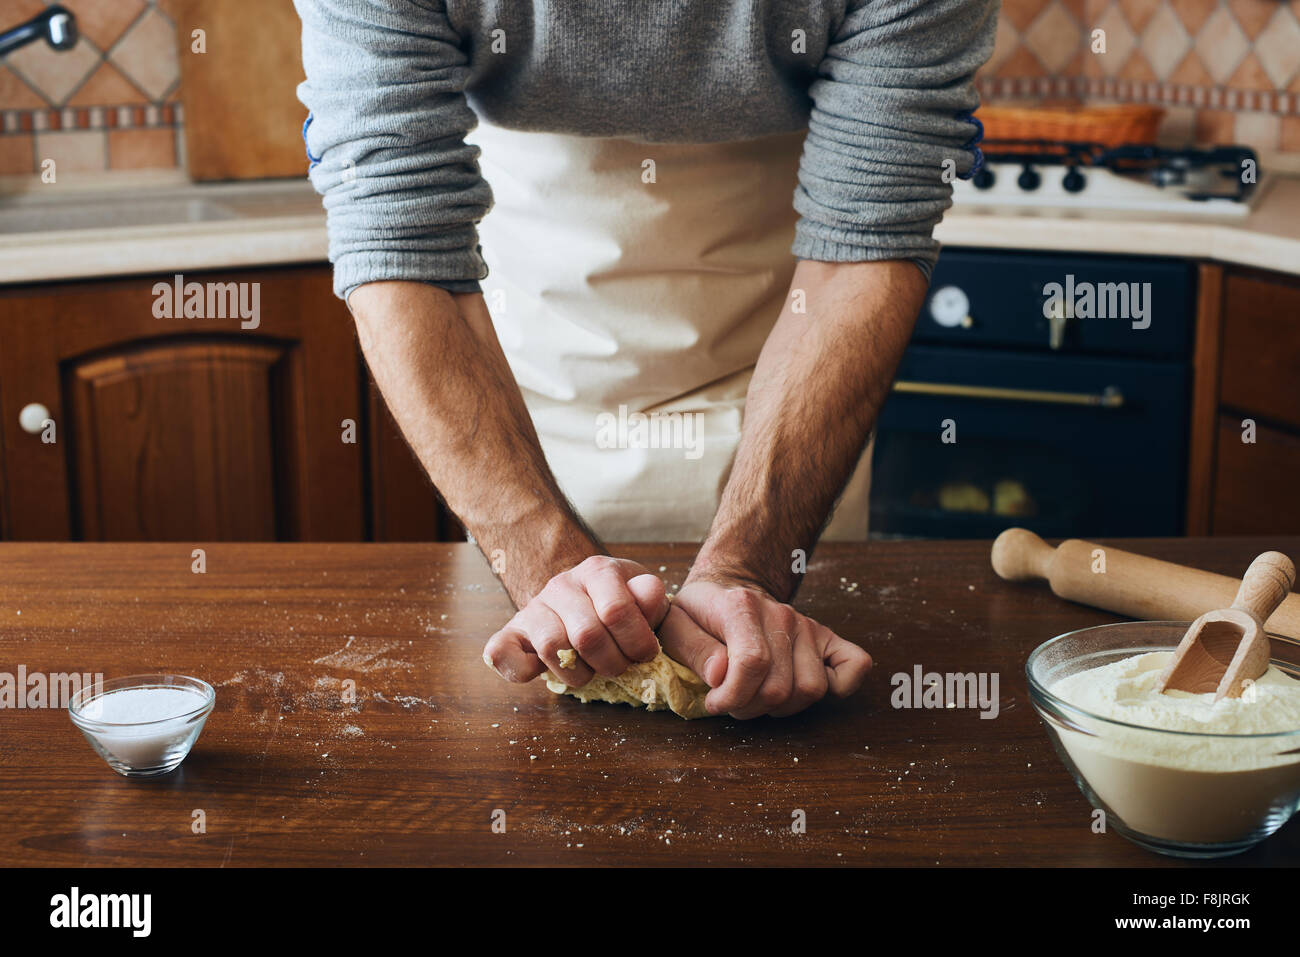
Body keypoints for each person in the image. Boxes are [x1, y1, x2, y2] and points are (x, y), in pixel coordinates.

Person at [296, 0, 997, 719]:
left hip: (789, 398)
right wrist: (545, 569)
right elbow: (402, 246)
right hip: (517, 398)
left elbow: (863, 248)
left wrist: (750, 569)